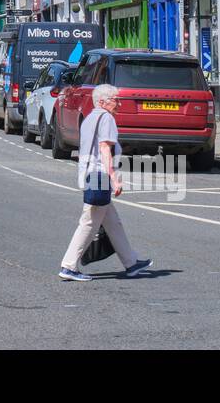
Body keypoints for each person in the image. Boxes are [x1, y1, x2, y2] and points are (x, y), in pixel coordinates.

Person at [58, 84, 152, 282]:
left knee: (113, 223)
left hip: (90, 174)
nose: (119, 103)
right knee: (89, 222)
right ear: (101, 101)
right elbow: (104, 149)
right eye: (115, 99)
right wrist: (114, 178)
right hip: (99, 175)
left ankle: (131, 263)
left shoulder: (90, 118)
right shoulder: (106, 118)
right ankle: (68, 266)